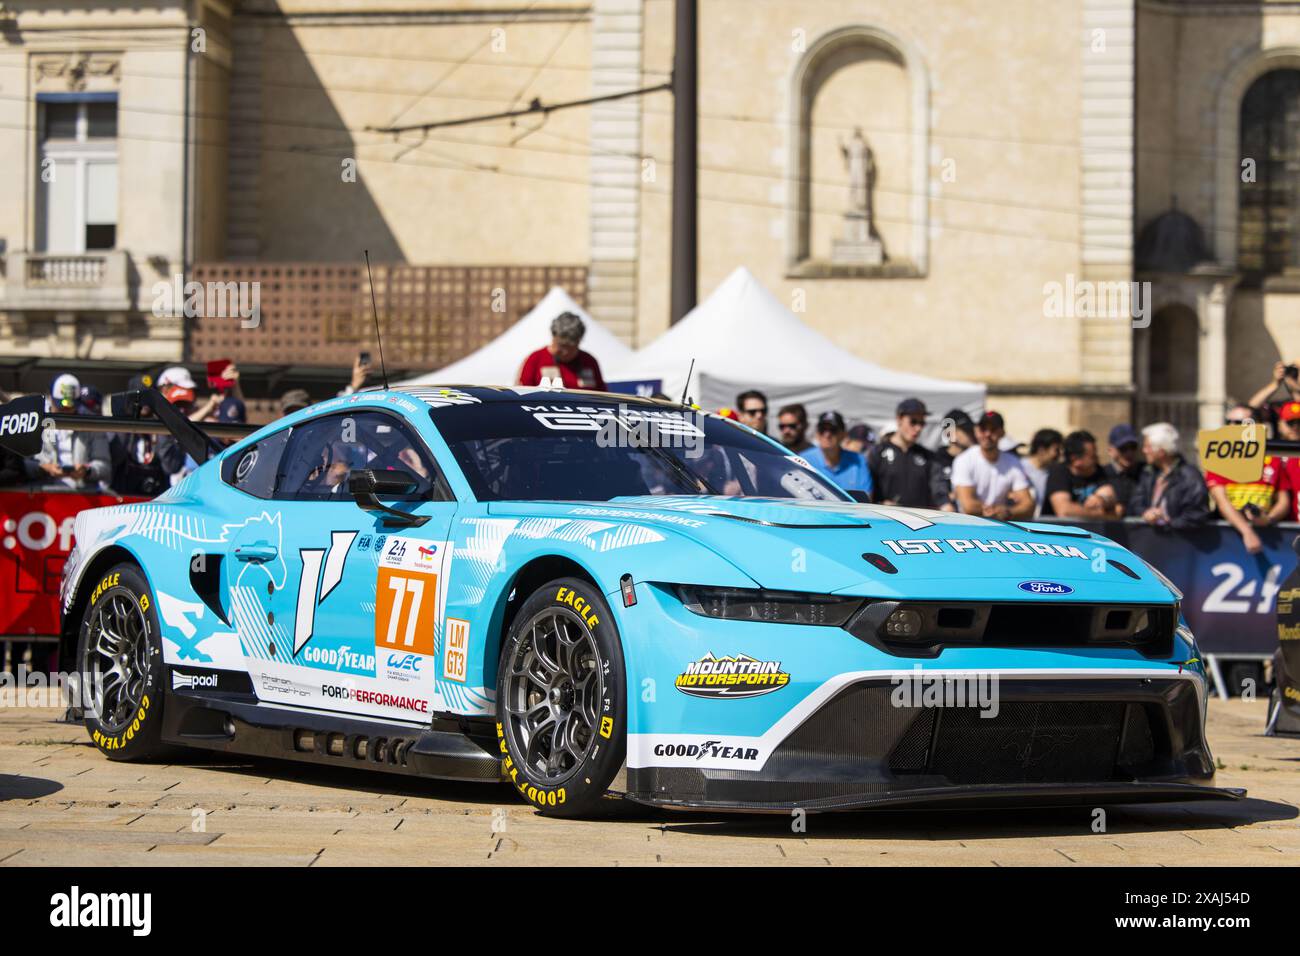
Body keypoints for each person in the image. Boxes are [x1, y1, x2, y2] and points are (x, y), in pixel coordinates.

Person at [1206, 406, 1289, 554]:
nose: (1231, 427)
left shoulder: (1273, 459)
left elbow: (1283, 501)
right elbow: (1221, 501)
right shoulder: (1218, 458)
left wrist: (1268, 519)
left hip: (1270, 539)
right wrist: (1247, 532)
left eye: (1238, 423)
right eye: (1228, 422)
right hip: (1229, 539)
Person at [33, 374, 112, 491]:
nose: (65, 411)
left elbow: (104, 466)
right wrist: (43, 468)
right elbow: (23, 461)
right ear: (50, 399)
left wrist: (87, 470)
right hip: (44, 491)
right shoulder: (36, 421)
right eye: (61, 407)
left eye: (70, 407)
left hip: (82, 493)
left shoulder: (92, 423)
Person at [950, 411, 1034, 519]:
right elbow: (968, 506)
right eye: (983, 429)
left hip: (998, 528)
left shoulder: (1013, 462)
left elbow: (1028, 505)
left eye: (993, 430)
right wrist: (999, 510)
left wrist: (1008, 511)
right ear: (976, 431)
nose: (988, 434)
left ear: (1002, 433)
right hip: (968, 526)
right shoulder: (964, 460)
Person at [867, 398, 945, 508]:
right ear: (899, 419)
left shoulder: (928, 457)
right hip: (886, 519)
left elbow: (939, 492)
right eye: (913, 422)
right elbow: (866, 492)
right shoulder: (877, 452)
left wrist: (946, 506)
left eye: (922, 423)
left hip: (921, 522)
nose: (918, 428)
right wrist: (880, 504)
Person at [1130, 422, 1209, 529]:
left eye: (1148, 447)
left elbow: (1197, 514)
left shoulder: (1190, 476)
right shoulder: (1148, 472)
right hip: (1150, 540)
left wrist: (1167, 521)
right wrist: (1146, 513)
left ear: (1161, 452)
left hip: (1180, 542)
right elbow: (1136, 502)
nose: (1144, 451)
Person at [1041, 430, 1121, 518]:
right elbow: (1064, 511)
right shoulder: (1058, 472)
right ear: (1076, 460)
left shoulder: (1099, 471)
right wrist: (1101, 514)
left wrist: (1102, 499)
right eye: (1092, 456)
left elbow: (1113, 501)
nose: (1097, 458)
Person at [518, 311, 606, 391]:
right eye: (561, 345)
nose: (565, 352)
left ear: (579, 342)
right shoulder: (535, 360)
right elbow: (521, 394)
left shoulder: (589, 362)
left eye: (570, 347)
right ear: (553, 337)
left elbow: (603, 396)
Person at [801, 412, 873, 495]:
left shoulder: (858, 461)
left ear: (843, 434)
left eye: (833, 430)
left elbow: (866, 497)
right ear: (817, 434)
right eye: (822, 430)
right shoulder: (804, 461)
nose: (827, 434)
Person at [933, 407, 976, 509]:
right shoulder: (936, 460)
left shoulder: (974, 458)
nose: (971, 434)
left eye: (971, 429)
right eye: (965, 430)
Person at [1019, 428, 1063, 517]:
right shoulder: (1019, 467)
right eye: (1056, 450)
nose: (1059, 455)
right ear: (1041, 449)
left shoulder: (1054, 473)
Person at [1103, 423, 1144, 513]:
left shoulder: (1145, 472)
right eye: (1123, 448)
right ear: (1110, 450)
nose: (1129, 453)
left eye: (1133, 447)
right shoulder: (1102, 474)